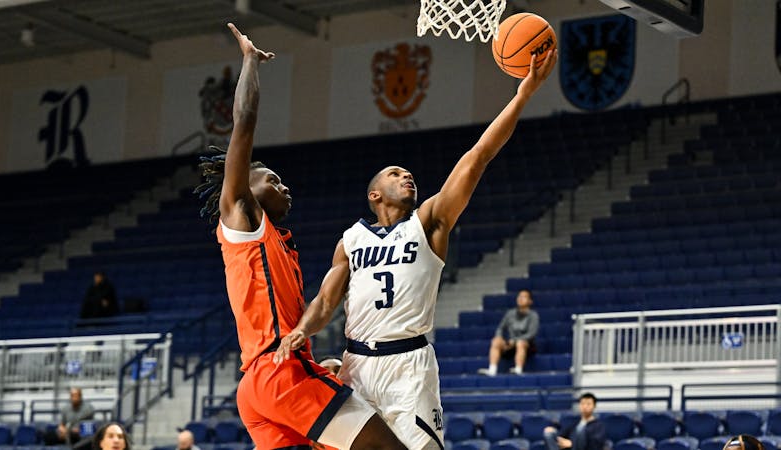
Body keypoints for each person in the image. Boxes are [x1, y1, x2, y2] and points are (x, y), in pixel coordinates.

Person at [275, 49, 559, 449]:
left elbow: (477, 158)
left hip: (409, 366)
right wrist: (301, 330)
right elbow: (325, 302)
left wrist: (523, 95)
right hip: (356, 364)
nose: (406, 175)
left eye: (408, 173)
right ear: (375, 193)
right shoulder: (350, 239)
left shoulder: (428, 222)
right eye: (395, 173)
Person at [195, 23, 406, 450]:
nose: (283, 185)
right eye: (271, 179)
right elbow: (244, 121)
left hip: (259, 385)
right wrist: (250, 63)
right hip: (277, 375)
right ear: (246, 187)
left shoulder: (277, 241)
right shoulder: (239, 215)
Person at [478, 289, 540, 376]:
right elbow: (500, 328)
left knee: (520, 343)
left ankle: (518, 369)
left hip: (526, 345)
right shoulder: (510, 313)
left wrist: (515, 341)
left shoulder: (533, 315)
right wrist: (499, 337)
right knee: (496, 341)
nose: (520, 298)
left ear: (530, 301)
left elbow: (531, 334)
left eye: (524, 297)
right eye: (519, 296)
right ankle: (492, 369)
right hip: (510, 344)